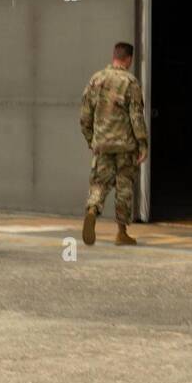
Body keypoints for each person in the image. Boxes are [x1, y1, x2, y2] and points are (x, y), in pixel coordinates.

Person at [80, 42, 149, 246]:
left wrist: (91, 138)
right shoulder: (131, 82)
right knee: (124, 186)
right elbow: (136, 116)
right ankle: (121, 232)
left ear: (114, 56)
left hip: (102, 143)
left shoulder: (96, 79)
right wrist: (143, 143)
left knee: (99, 183)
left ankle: (92, 209)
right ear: (129, 59)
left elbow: (85, 114)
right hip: (125, 146)